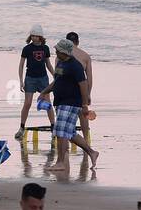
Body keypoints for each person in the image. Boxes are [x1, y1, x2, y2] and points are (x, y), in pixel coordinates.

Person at [37, 39, 99, 171]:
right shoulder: (61, 63)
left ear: (64, 52)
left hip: (71, 103)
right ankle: (92, 153)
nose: (56, 51)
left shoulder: (75, 66)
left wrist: (84, 105)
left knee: (61, 132)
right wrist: (44, 92)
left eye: (58, 50)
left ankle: (61, 162)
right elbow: (56, 82)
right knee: (69, 133)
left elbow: (83, 84)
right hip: (60, 102)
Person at [16, 25, 54, 139]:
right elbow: (21, 65)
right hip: (30, 78)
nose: (33, 37)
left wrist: (55, 76)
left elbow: (48, 64)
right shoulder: (27, 48)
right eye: (32, 35)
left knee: (48, 104)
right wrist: (21, 80)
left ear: (40, 37)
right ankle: (21, 127)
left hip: (43, 78)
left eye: (35, 36)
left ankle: (53, 127)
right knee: (27, 103)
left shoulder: (45, 48)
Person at [66, 32, 93, 137]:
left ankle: (65, 146)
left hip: (66, 91)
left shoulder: (61, 55)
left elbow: (57, 77)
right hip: (81, 91)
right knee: (83, 118)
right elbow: (89, 78)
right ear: (77, 42)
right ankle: (86, 145)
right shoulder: (85, 56)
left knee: (67, 121)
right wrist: (88, 94)